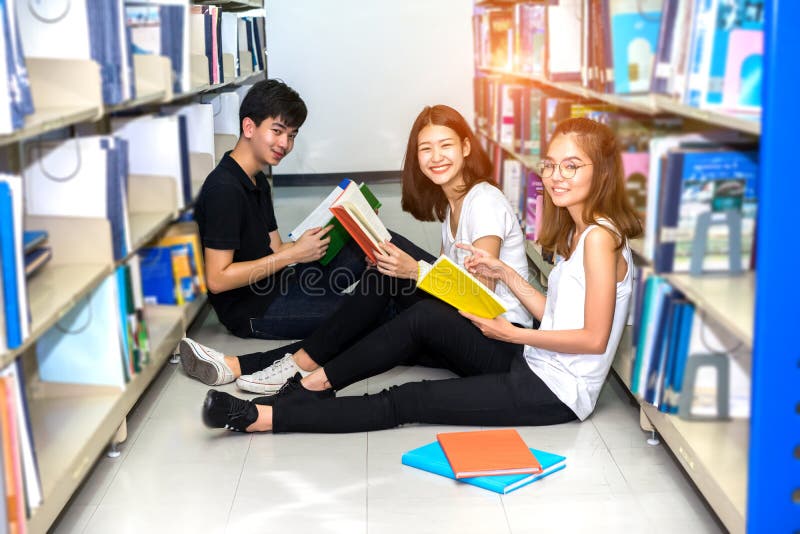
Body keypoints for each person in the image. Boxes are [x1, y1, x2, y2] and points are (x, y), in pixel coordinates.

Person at [199, 116, 644, 434]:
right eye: (550, 165)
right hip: (532, 363)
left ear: (602, 172)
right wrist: (507, 273)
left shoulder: (599, 239)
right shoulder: (580, 234)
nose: (555, 177)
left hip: (552, 389)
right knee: (397, 314)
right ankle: (298, 391)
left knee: (407, 397)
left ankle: (273, 409)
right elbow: (555, 314)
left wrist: (513, 334)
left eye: (572, 166)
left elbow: (594, 339)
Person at [180, 104, 532, 394]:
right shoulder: (453, 206)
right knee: (381, 275)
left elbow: (482, 297)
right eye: (426, 149)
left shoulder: (483, 203)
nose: (436, 157)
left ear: (466, 147)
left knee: (388, 261)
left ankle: (286, 368)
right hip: (470, 333)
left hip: (497, 342)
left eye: (446, 146)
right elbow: (449, 281)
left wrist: (413, 271)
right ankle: (260, 366)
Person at [193, 78, 370, 340]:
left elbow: (275, 248)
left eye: (292, 135)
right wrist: (294, 254)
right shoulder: (224, 189)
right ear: (249, 127)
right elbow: (217, 280)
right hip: (254, 310)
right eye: (277, 131)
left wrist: (313, 241)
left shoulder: (257, 178)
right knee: (368, 311)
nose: (285, 144)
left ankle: (425, 285)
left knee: (369, 240)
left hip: (281, 282)